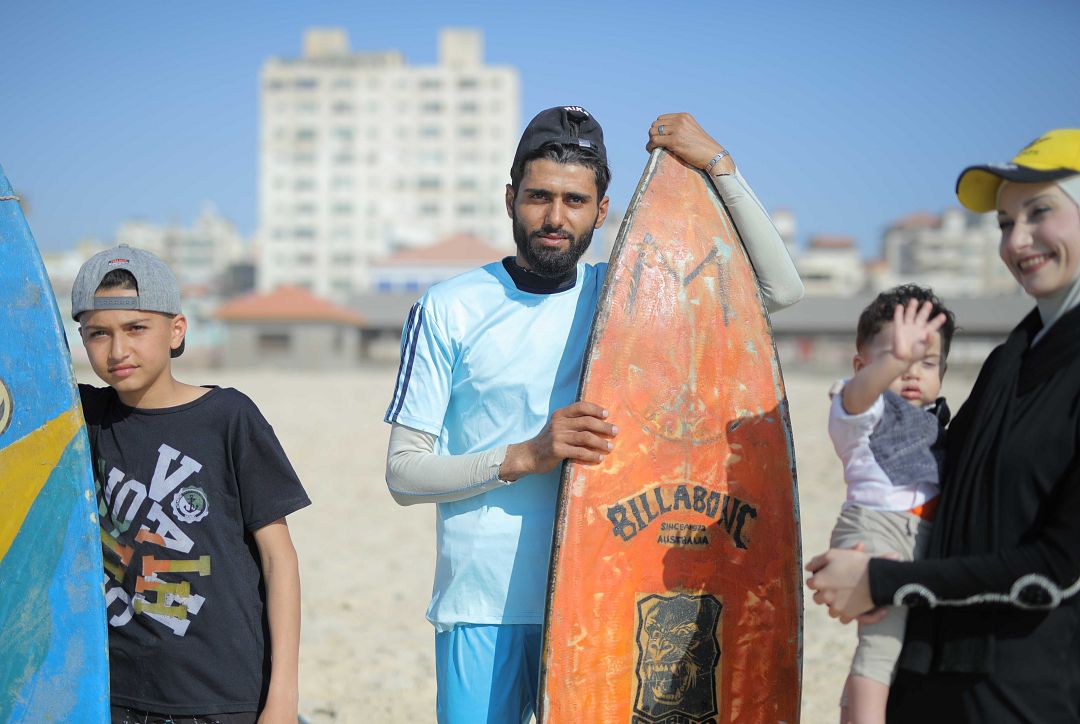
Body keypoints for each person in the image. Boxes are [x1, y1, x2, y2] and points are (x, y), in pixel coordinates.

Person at [383, 106, 804, 723]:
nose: (555, 218)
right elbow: (403, 474)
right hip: (485, 605)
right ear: (510, 199)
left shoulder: (629, 297)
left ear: (602, 211)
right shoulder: (449, 308)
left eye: (575, 201)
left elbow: (777, 291)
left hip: (608, 600)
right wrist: (526, 456)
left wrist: (718, 165)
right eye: (539, 197)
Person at [806, 129, 1080, 721]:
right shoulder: (1014, 356)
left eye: (1041, 212)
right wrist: (860, 555)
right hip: (930, 683)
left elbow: (1062, 568)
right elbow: (944, 483)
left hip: (1025, 695)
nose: (1018, 239)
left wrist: (884, 582)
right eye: (1005, 223)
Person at [72, 245, 311, 724]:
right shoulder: (81, 420)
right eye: (99, 334)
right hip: (112, 696)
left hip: (222, 696)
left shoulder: (228, 417)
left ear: (176, 330)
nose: (118, 350)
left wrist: (282, 698)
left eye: (136, 329)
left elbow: (278, 557)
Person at [826, 285, 954, 724]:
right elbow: (857, 396)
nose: (911, 371)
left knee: (889, 647)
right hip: (875, 529)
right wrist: (891, 364)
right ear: (862, 365)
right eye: (895, 359)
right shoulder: (862, 409)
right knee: (881, 651)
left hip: (919, 535)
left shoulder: (936, 419)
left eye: (927, 362)